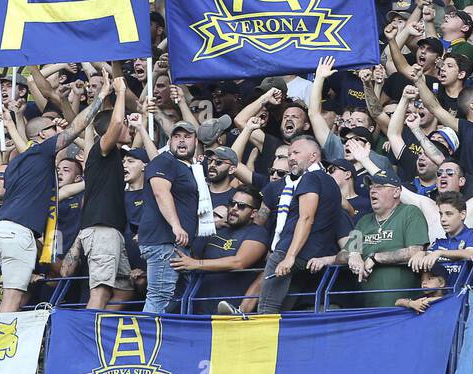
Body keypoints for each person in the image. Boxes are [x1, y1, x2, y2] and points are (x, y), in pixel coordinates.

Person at [0, 93, 103, 312]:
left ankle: (5, 340)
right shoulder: (42, 151)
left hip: (0, 231)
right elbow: (75, 127)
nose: (58, 130)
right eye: (53, 129)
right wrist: (103, 94)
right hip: (17, 233)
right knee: (12, 298)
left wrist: (11, 124)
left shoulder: (17, 162)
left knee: (16, 296)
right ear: (43, 135)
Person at [257, 134, 343, 313]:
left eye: (296, 152)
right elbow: (346, 210)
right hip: (312, 256)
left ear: (313, 156)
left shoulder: (309, 178)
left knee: (266, 310)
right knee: (282, 313)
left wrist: (289, 256)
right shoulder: (332, 183)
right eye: (289, 155)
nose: (290, 158)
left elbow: (306, 218)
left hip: (289, 251)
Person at [329, 171, 429, 308]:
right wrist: (353, 255)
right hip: (365, 309)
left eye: (379, 186)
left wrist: (376, 258)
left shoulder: (410, 213)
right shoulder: (364, 221)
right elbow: (340, 256)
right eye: (371, 187)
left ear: (396, 192)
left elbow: (415, 252)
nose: (372, 191)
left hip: (403, 307)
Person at [134, 119, 202, 314]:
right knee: (159, 297)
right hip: (166, 241)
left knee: (178, 298)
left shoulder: (189, 168)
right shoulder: (165, 160)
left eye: (187, 137)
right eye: (177, 137)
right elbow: (160, 192)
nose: (181, 141)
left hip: (177, 243)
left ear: (196, 142)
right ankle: (148, 341)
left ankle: (167, 341)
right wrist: (176, 226)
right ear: (170, 141)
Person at [77, 78, 132, 310]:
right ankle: (90, 339)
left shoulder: (112, 156)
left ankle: (102, 331)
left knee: (124, 290)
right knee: (99, 292)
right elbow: (117, 122)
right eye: (126, 124)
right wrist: (120, 92)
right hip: (102, 231)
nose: (127, 126)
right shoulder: (101, 152)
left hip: (112, 232)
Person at [173, 186, 270, 315]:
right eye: (232, 203)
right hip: (197, 307)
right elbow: (193, 254)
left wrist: (196, 264)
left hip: (231, 310)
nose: (234, 208)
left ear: (253, 213)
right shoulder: (216, 230)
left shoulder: (257, 232)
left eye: (241, 206)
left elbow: (239, 262)